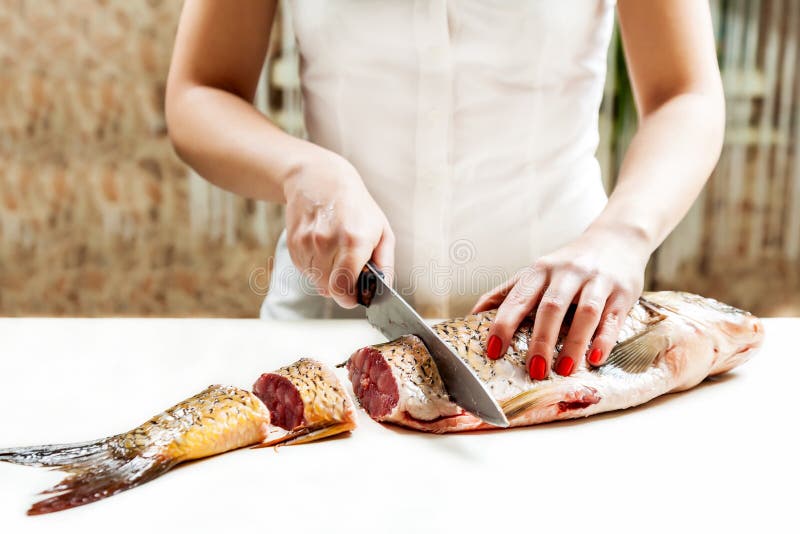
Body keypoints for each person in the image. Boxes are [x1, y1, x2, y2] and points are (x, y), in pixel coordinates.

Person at [165, 1, 724, 380]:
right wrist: (299, 169)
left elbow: (684, 92)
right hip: (325, 334)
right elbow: (200, 90)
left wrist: (621, 237)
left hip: (560, 338)